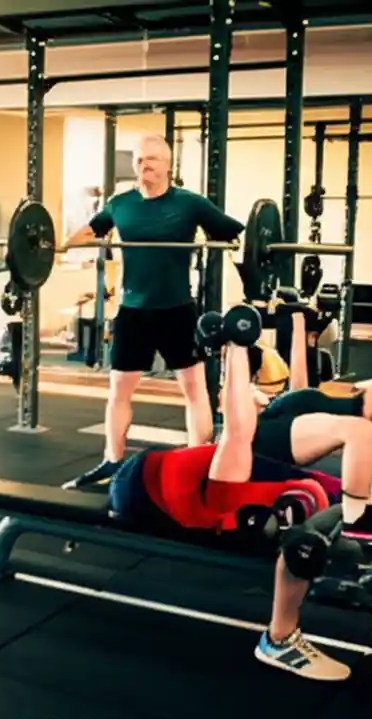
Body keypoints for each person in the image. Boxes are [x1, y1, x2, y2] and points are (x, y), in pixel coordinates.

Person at [107, 313, 352, 681]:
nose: (260, 398)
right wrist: (236, 348)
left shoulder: (258, 461)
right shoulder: (231, 487)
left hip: (178, 472)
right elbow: (237, 426)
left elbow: (246, 420)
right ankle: (279, 640)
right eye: (256, 394)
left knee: (324, 493)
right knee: (293, 503)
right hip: (137, 486)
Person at [64, 134, 247, 488]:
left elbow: (234, 234)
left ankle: (200, 464)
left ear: (168, 166)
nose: (143, 165)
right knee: (118, 389)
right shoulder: (121, 204)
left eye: (151, 159)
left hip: (177, 309)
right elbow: (88, 231)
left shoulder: (190, 204)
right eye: (138, 160)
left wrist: (249, 252)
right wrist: (51, 245)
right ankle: (112, 462)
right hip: (134, 311)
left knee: (194, 388)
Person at [249, 307, 372, 543]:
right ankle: (357, 520)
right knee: (360, 430)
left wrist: (299, 321)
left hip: (289, 417)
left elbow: (299, 382)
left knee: (361, 424)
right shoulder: (371, 411)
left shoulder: (309, 399)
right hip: (266, 440)